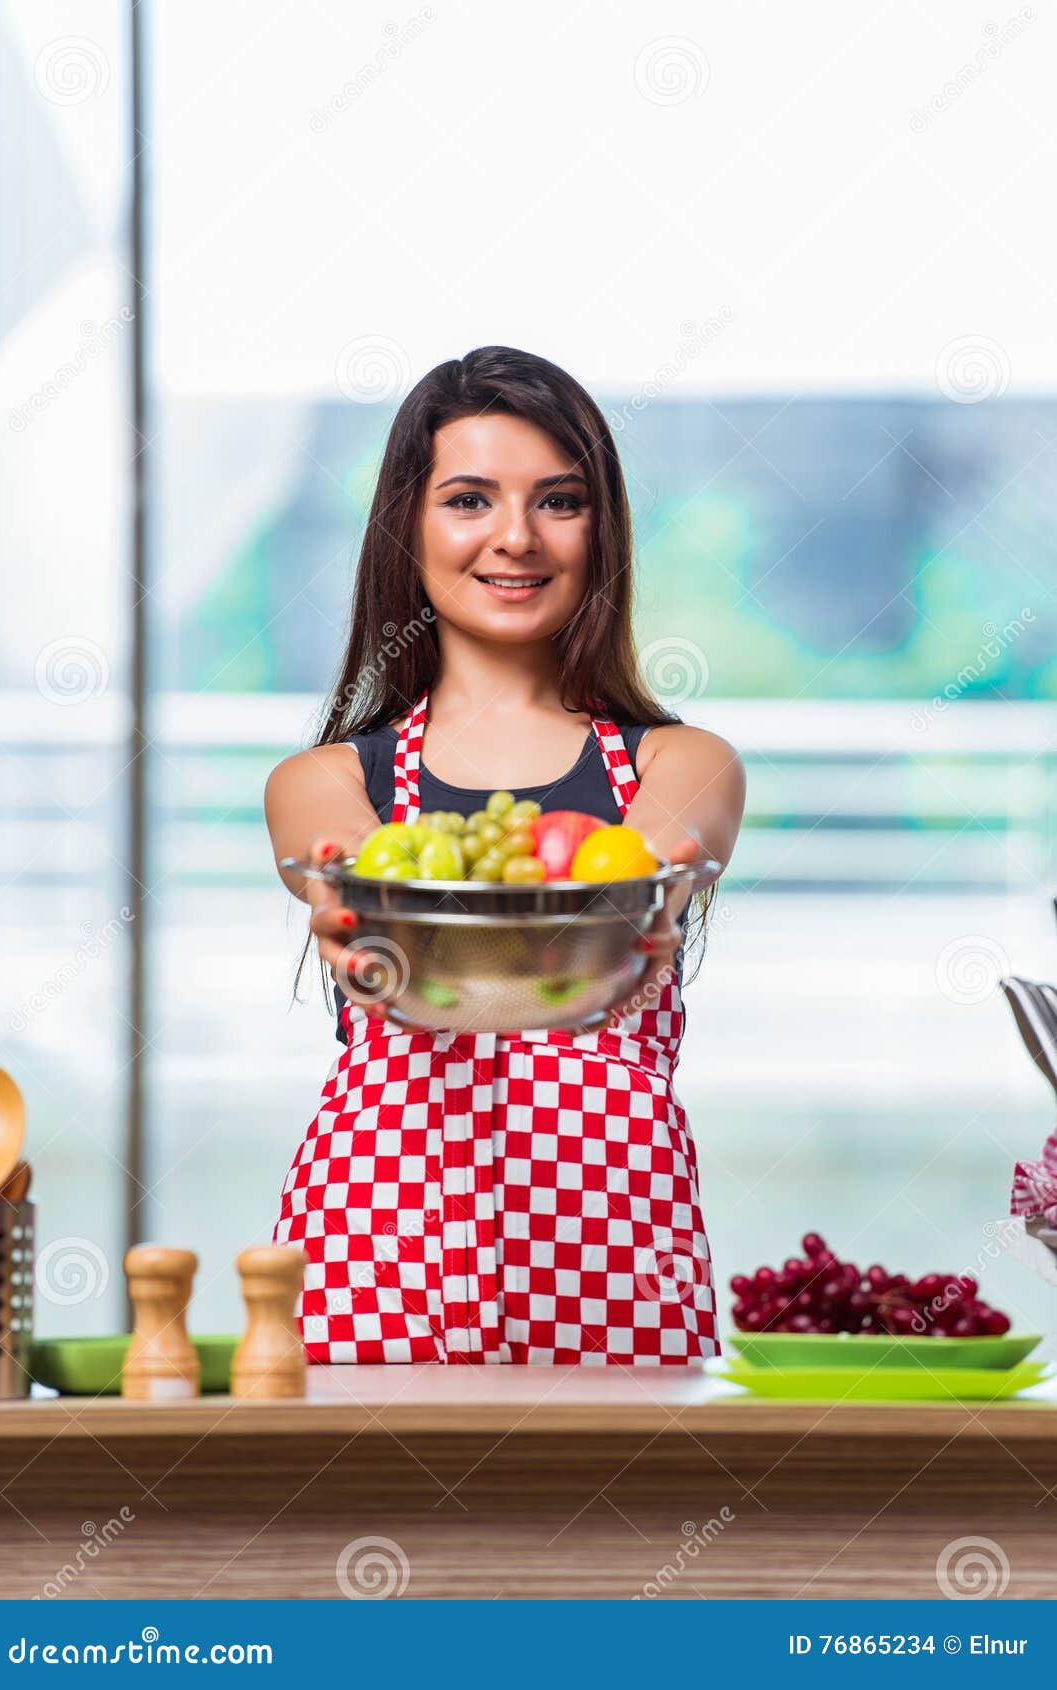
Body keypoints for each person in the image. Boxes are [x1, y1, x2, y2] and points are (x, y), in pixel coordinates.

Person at [264, 345, 746, 1365]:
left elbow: (627, 886)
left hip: (615, 1246)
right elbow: (357, 876)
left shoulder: (685, 765)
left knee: (618, 1528)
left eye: (559, 501)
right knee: (361, 1525)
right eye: (470, 499)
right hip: (372, 1249)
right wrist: (366, 921)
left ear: (599, 528)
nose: (515, 539)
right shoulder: (323, 784)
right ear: (411, 525)